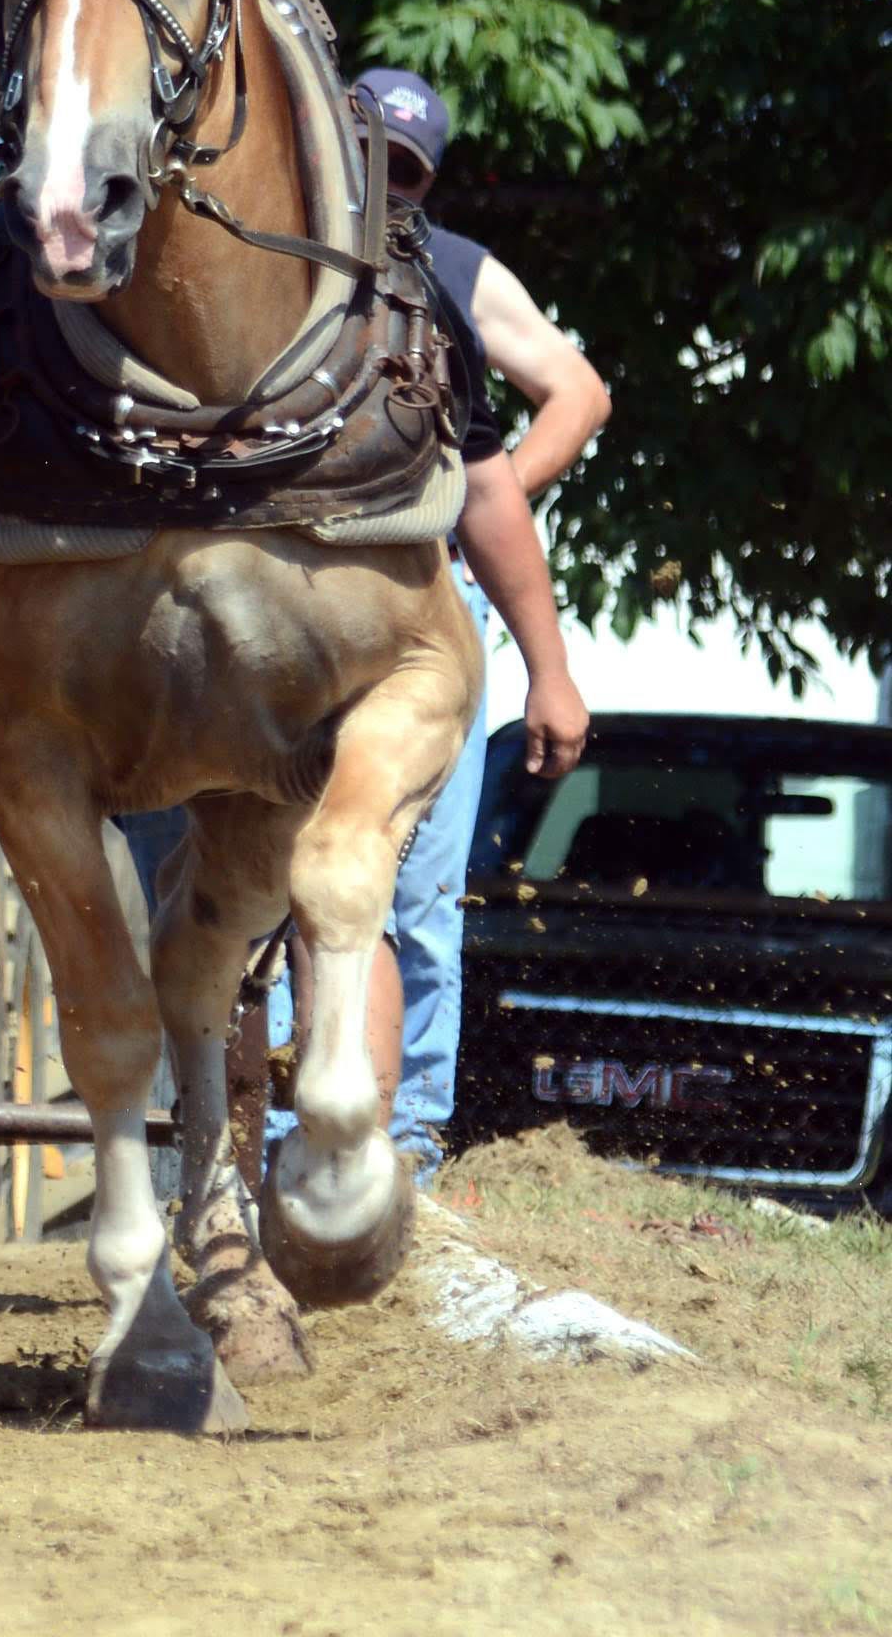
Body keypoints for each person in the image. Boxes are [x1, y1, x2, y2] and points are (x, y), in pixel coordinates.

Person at [348, 66, 612, 1167]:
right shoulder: (264, 256)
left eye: (406, 172)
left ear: (429, 181)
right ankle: (273, 1135)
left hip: (426, 606)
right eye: (371, 156)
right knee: (283, 882)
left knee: (417, 894)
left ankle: (411, 1136)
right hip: (299, 601)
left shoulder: (447, 269)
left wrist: (467, 508)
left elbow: (581, 391)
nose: (386, 186)